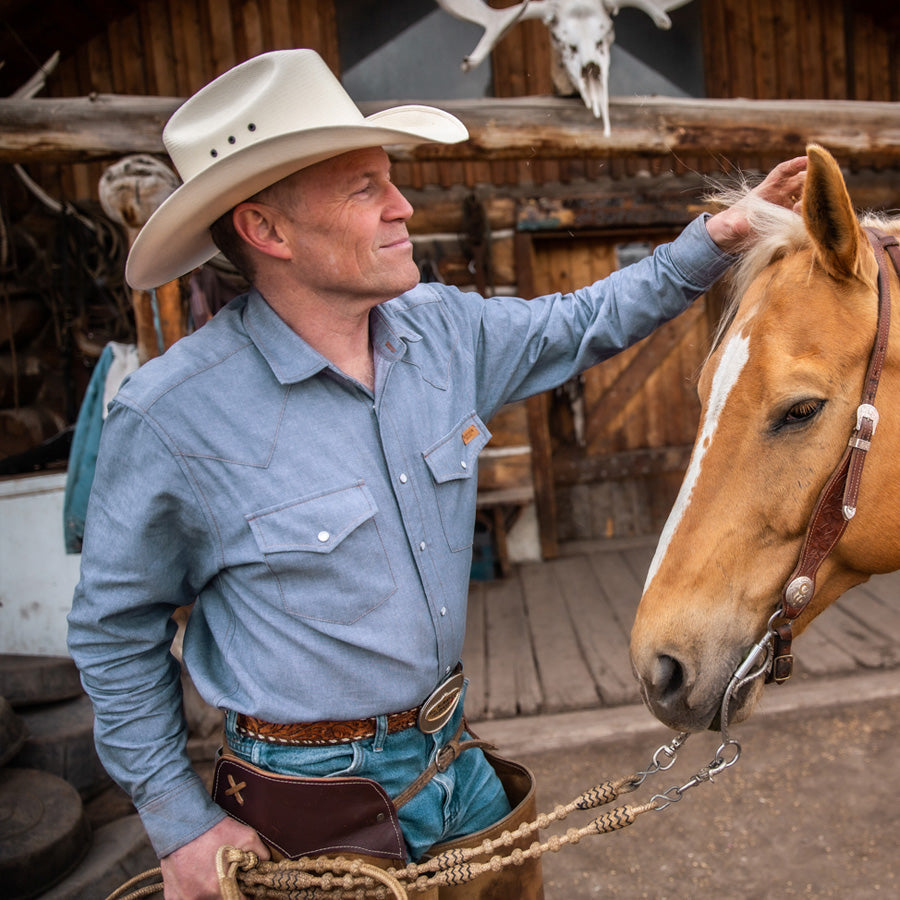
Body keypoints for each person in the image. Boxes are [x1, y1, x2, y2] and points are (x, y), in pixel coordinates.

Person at [67, 48, 807, 900]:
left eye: (391, 179)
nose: (402, 205)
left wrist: (718, 237)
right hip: (302, 802)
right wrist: (177, 817)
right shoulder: (170, 414)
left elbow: (584, 321)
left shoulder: (441, 332)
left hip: (455, 757)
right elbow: (114, 631)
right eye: (363, 189)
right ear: (266, 230)